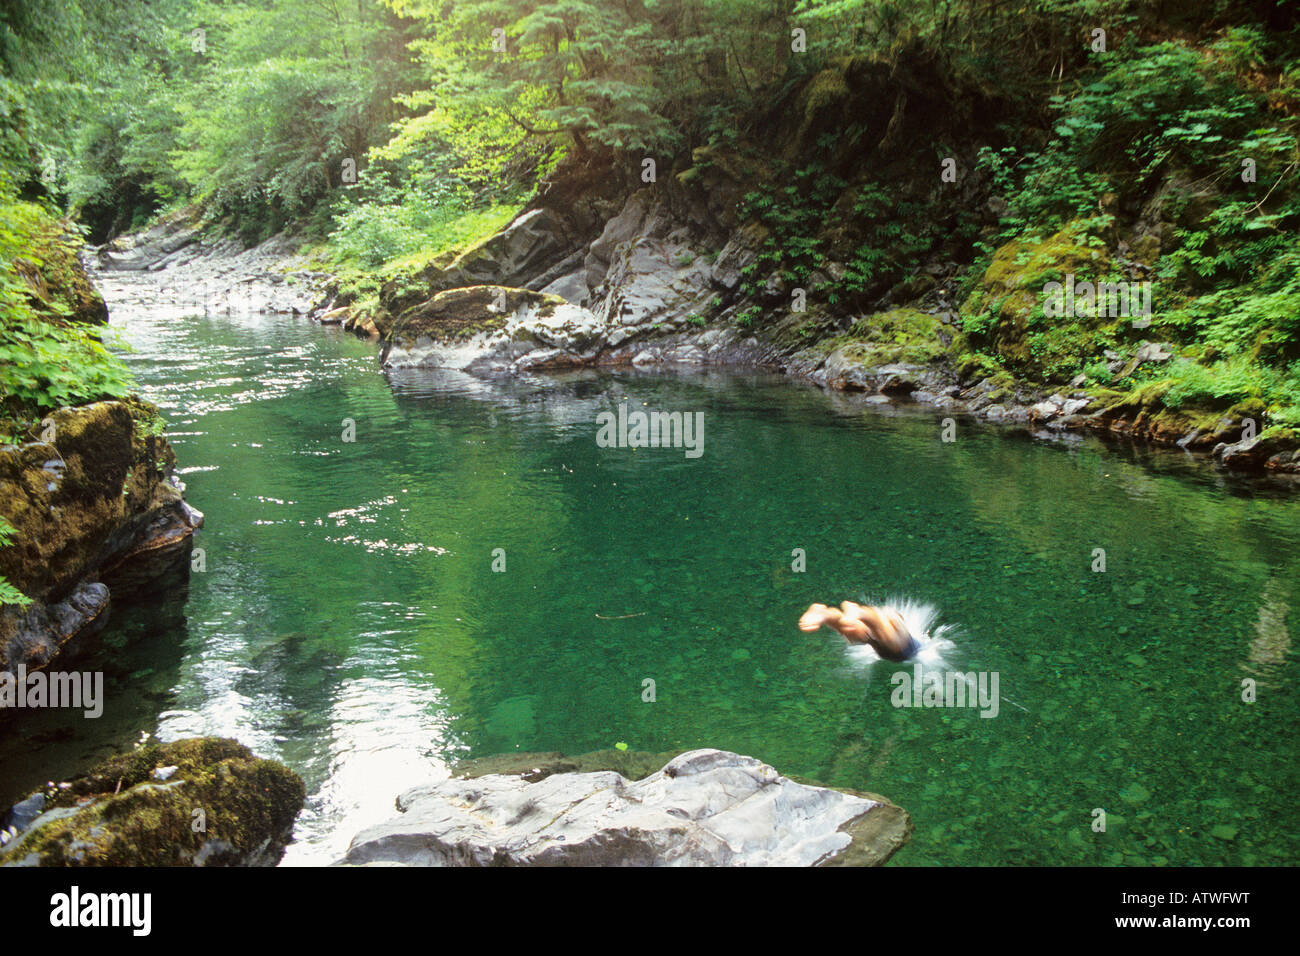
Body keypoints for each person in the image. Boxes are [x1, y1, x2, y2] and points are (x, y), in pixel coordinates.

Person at [798, 600, 922, 662]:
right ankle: (860, 612)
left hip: (885, 632)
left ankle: (825, 615)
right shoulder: (918, 650)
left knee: (850, 630)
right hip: (900, 639)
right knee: (893, 642)